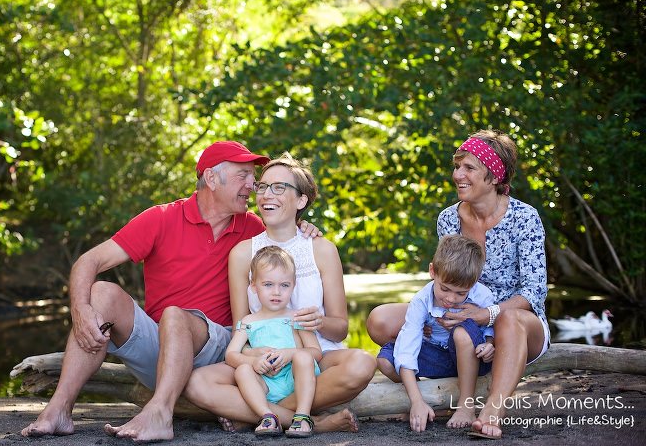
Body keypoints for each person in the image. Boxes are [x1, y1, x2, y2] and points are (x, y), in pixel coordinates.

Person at [20, 141, 320, 442]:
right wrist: (80, 310)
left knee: (175, 315)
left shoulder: (253, 229)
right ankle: (59, 409)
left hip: (218, 350)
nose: (252, 185)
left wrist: (306, 227)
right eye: (243, 175)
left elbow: (287, 239)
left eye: (252, 177)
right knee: (100, 294)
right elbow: (90, 260)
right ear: (212, 178)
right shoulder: (161, 218)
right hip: (161, 347)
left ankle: (160, 413)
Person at [366, 129, 549, 439]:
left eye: (469, 168)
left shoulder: (525, 218)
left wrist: (487, 315)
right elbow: (446, 279)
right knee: (380, 319)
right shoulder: (448, 219)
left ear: (493, 177)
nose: (458, 175)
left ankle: (492, 409)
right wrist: (428, 316)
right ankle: (439, 380)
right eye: (457, 166)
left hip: (518, 323)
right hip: (456, 315)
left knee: (509, 319)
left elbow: (534, 291)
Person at [185, 154, 376, 433]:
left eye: (279, 187)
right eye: (262, 187)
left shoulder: (321, 249)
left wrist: (319, 322)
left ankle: (259, 413)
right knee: (196, 383)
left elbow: (341, 329)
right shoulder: (242, 254)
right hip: (264, 358)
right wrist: (256, 356)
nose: (265, 195)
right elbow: (243, 325)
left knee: (361, 364)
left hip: (315, 356)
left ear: (301, 200)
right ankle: (311, 421)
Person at [376, 234, 496, 432]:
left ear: (474, 283)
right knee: (385, 360)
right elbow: (407, 346)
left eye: (461, 293)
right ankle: (423, 404)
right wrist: (416, 401)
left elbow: (491, 326)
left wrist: (489, 343)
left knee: (461, 332)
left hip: (471, 357)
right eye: (445, 289)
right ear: (432, 271)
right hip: (436, 357)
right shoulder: (421, 300)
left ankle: (466, 405)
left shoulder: (482, 295)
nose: (450, 298)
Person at [226, 246, 322, 437]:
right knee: (243, 370)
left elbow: (316, 352)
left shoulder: (297, 318)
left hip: (294, 379)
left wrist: (290, 353)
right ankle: (267, 416)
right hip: (265, 383)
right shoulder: (247, 322)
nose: (276, 292)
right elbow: (230, 355)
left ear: (293, 286)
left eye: (284, 285)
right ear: (254, 285)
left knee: (303, 357)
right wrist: (253, 362)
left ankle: (302, 416)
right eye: (268, 284)